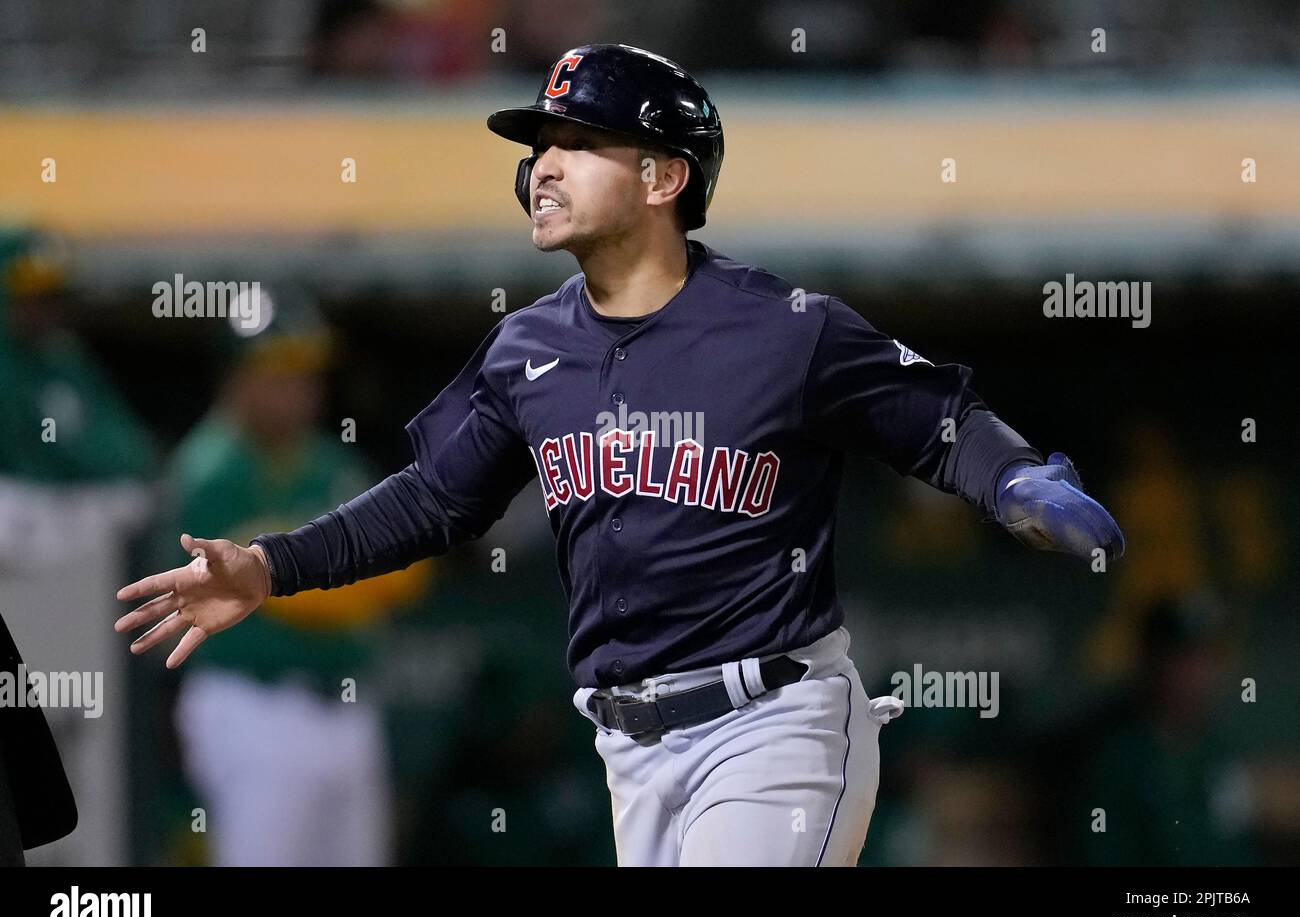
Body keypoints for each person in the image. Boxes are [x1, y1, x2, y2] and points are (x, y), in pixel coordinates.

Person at [115, 44, 1125, 867]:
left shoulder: (783, 328)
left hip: (774, 721)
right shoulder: (525, 349)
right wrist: (271, 564)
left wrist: (1012, 475)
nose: (542, 165)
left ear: (663, 176)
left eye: (579, 141)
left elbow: (934, 415)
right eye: (539, 144)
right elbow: (434, 499)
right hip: (629, 744)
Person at [157, 289, 428, 865]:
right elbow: (247, 595)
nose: (302, 389)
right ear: (239, 377)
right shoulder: (209, 473)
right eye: (281, 371)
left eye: (308, 372)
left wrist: (304, 581)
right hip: (256, 708)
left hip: (347, 707)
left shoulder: (333, 466)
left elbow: (406, 568)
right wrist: (331, 585)